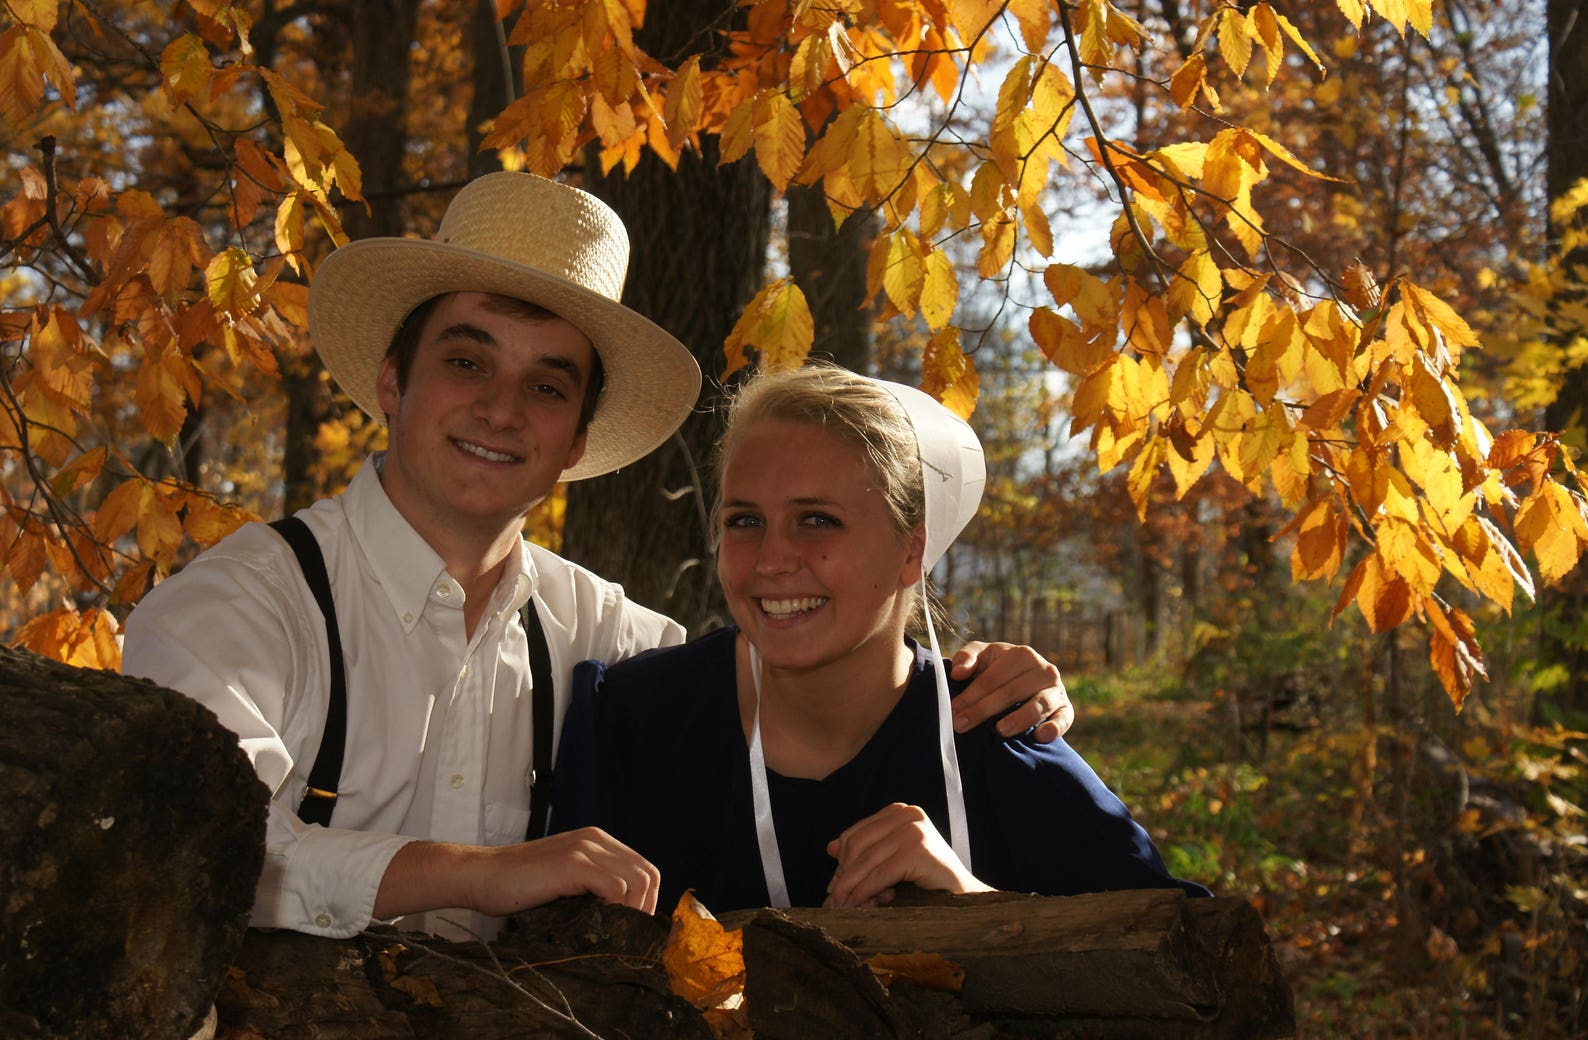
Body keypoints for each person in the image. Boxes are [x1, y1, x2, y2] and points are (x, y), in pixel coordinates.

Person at [120, 171, 1073, 942]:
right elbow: (184, 851)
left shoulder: (613, 640)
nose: (501, 408)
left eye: (547, 384)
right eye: (466, 360)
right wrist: (477, 873)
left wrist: (988, 681)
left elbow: (801, 670)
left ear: (577, 438)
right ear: (392, 381)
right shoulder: (240, 610)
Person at [552, 363, 1208, 914]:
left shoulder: (993, 735)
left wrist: (973, 904)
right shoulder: (638, 725)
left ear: (911, 551)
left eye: (817, 520)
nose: (772, 560)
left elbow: (1192, 970)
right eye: (746, 520)